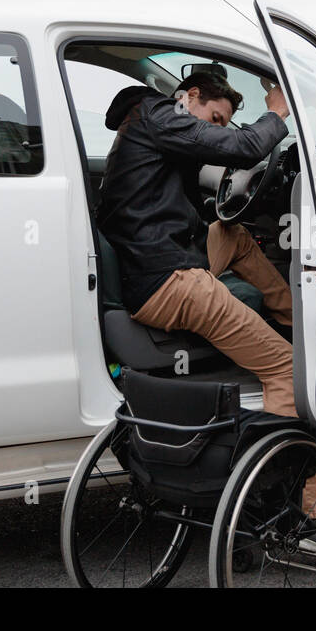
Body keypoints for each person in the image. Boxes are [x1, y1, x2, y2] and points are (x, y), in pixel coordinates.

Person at [95, 71, 297, 416]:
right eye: (215, 119)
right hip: (168, 280)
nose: (216, 130)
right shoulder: (161, 114)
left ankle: (294, 322)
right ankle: (288, 468)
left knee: (233, 235)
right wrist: (276, 112)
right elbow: (243, 147)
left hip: (148, 260)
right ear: (190, 95)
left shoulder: (151, 122)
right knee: (287, 370)